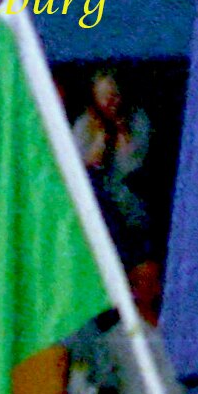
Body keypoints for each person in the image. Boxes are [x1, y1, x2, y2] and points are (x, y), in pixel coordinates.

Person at [74, 65, 154, 254]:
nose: (110, 103)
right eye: (104, 97)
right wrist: (101, 136)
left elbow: (133, 164)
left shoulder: (138, 120)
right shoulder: (84, 124)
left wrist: (122, 132)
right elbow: (83, 166)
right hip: (97, 208)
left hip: (129, 206)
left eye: (114, 96)